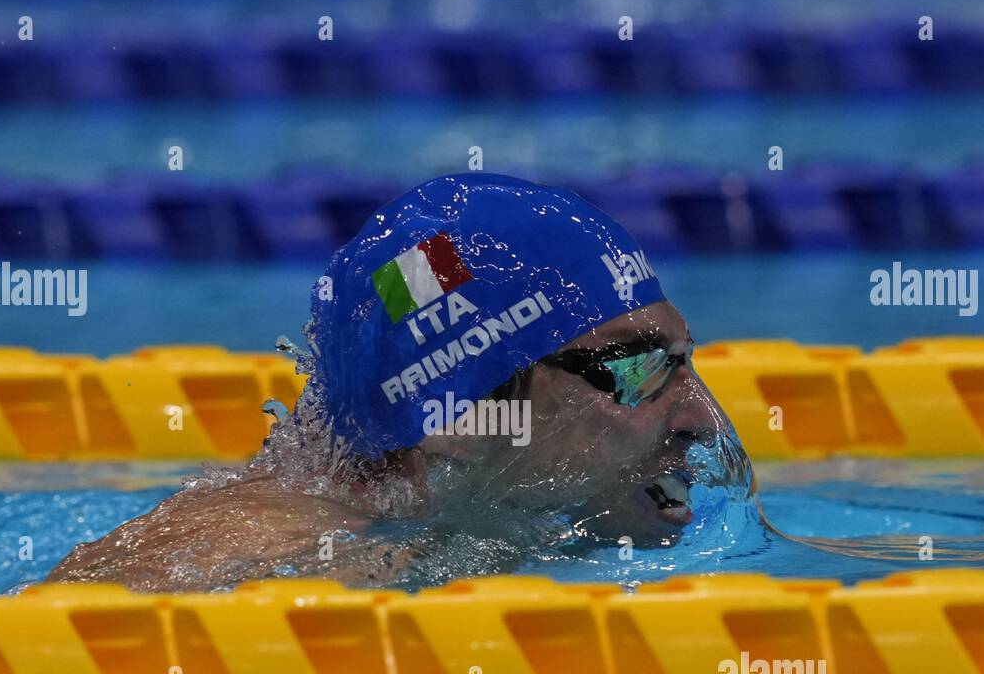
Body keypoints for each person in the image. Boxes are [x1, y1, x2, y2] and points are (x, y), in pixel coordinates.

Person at [48, 174, 750, 591]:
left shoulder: (462, 537)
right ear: (458, 416)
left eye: (683, 362)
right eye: (636, 369)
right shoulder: (256, 569)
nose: (702, 420)